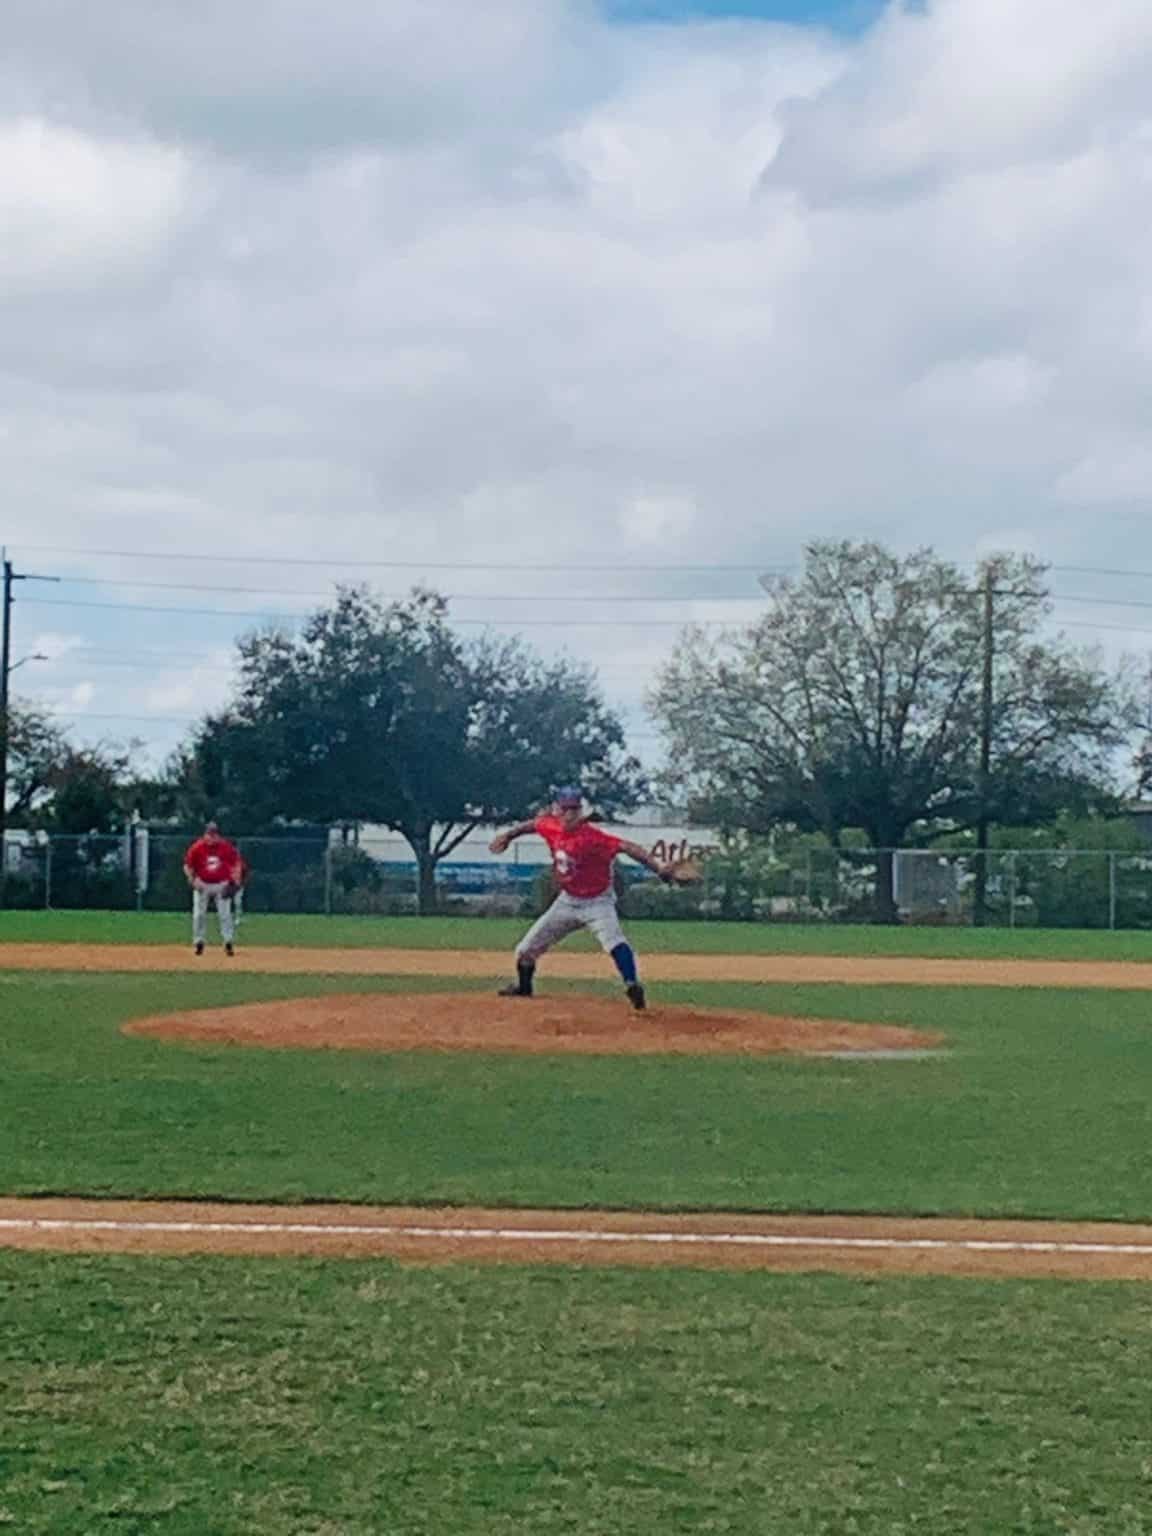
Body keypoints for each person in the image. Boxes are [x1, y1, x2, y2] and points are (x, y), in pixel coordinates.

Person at [488, 786, 675, 1011]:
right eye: (566, 809)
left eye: (574, 809)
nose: (569, 814)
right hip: (567, 901)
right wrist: (508, 835)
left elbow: (628, 847)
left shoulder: (593, 837)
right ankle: (524, 988)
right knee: (525, 951)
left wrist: (658, 868)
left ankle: (632, 984)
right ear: (557, 809)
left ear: (580, 811)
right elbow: (532, 825)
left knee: (614, 941)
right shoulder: (551, 825)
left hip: (598, 902)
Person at [183, 821, 244, 956]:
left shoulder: (225, 847)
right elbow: (188, 865)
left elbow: (236, 863)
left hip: (221, 884)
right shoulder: (197, 847)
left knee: (225, 915)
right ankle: (199, 942)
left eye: (214, 834)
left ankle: (228, 942)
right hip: (202, 883)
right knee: (199, 914)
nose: (212, 837)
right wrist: (192, 880)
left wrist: (235, 881)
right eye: (210, 834)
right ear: (205, 835)